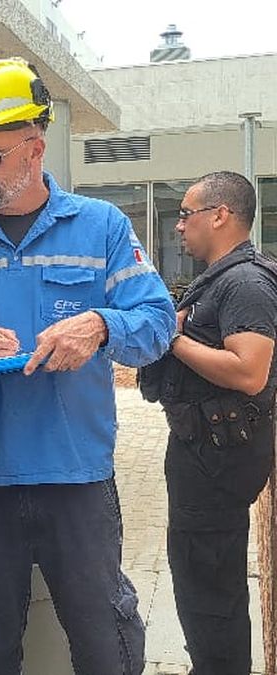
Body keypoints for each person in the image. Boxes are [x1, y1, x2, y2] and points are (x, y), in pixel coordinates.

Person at [0, 57, 175, 675]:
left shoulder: (101, 227)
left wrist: (100, 325)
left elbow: (156, 322)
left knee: (105, 641)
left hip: (76, 479)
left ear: (34, 149)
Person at [139, 171, 277, 674]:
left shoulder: (245, 282)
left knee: (208, 586)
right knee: (201, 582)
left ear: (220, 216)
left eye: (186, 214)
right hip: (205, 454)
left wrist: (172, 339)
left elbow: (249, 370)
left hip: (218, 460)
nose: (179, 226)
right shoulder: (224, 277)